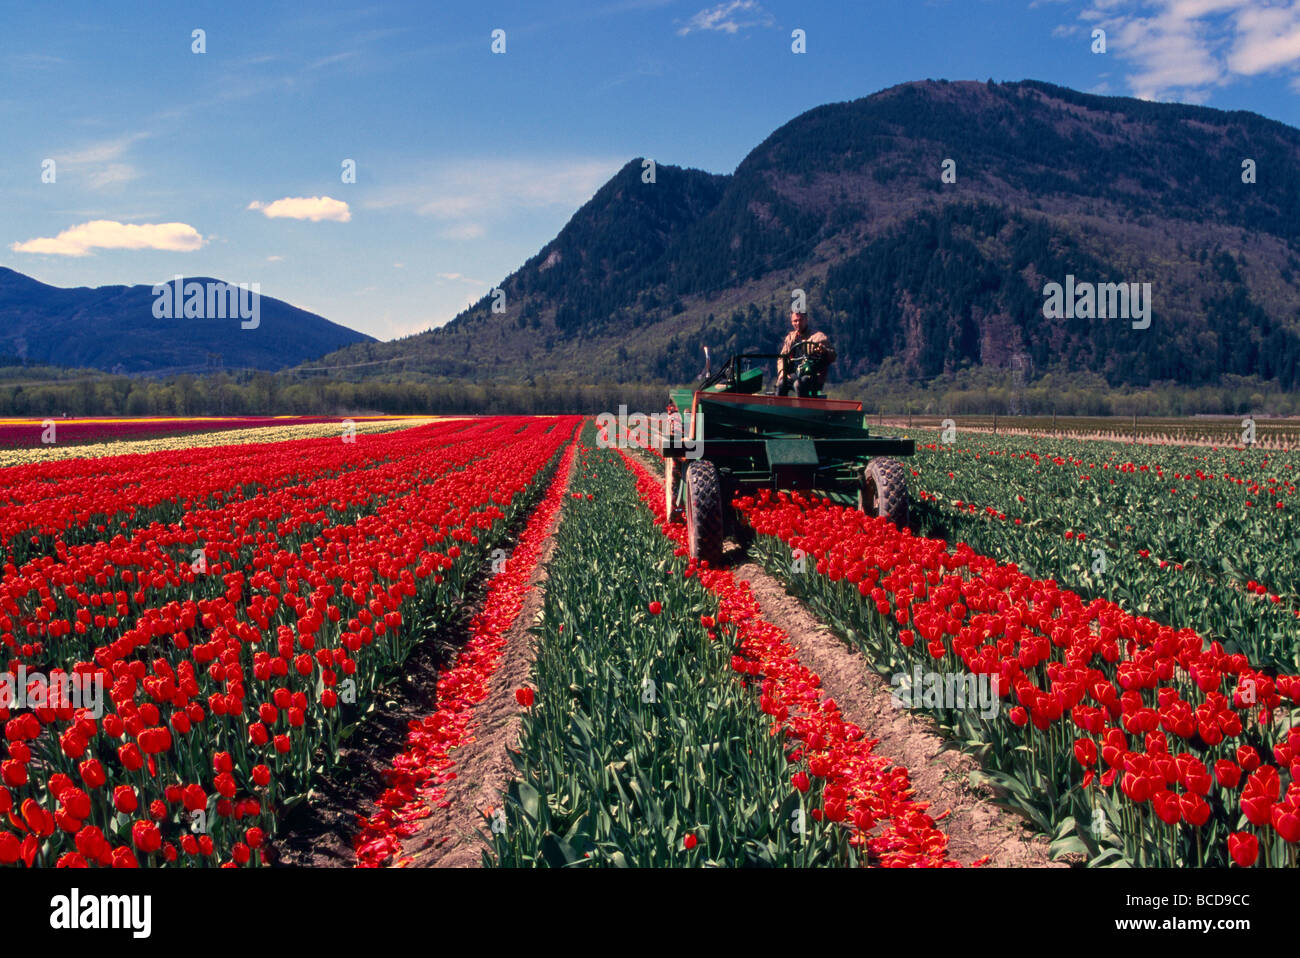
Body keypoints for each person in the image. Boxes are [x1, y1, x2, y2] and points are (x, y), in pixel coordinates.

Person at [776, 310, 835, 396]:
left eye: (801, 320)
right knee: (781, 384)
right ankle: (779, 407)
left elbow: (832, 355)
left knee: (798, 384)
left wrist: (823, 350)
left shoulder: (818, 337)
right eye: (795, 321)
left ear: (806, 320)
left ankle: (803, 408)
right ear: (792, 322)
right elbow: (782, 357)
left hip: (812, 375)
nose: (798, 323)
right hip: (795, 373)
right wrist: (782, 371)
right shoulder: (790, 338)